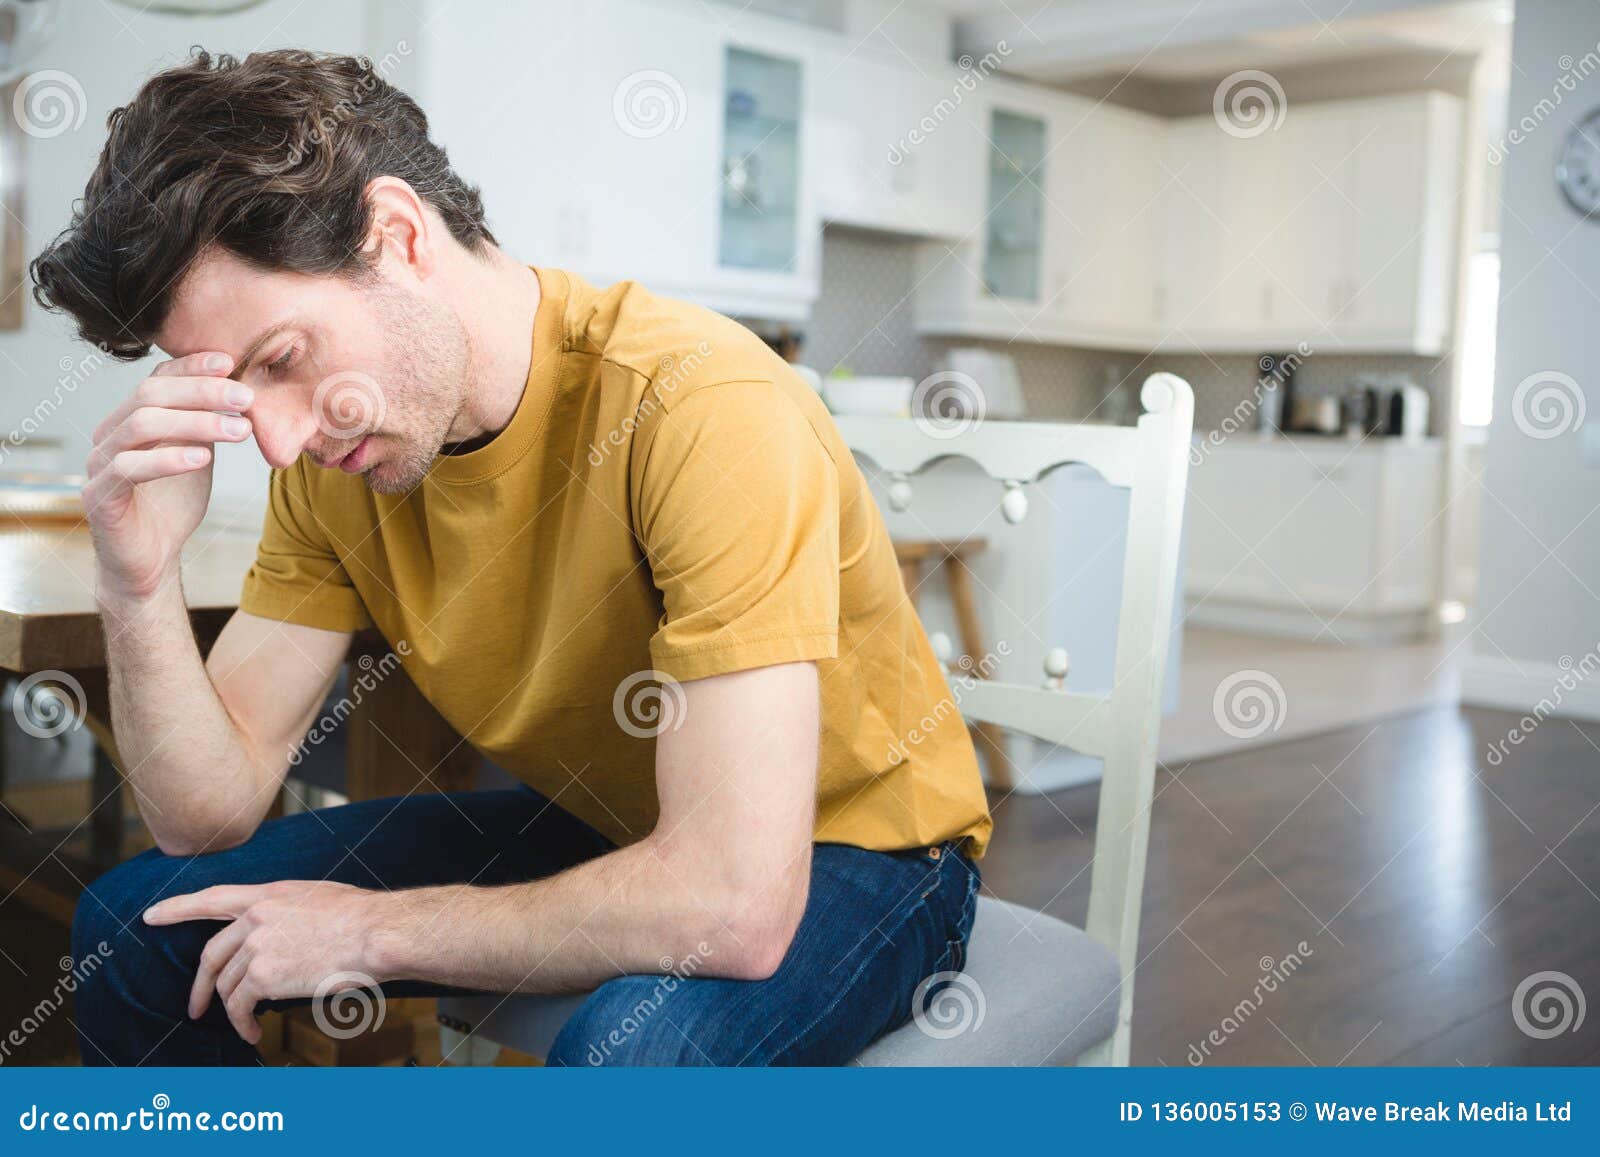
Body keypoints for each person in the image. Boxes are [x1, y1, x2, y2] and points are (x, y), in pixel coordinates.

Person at [31, 48, 990, 1067]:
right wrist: (136, 580)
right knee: (140, 928)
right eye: (239, 388)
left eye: (281, 359)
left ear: (398, 236)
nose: (272, 439)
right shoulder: (332, 459)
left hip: (860, 849)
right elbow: (202, 814)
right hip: (615, 819)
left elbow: (732, 903)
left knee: (625, 1064)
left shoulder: (704, 407)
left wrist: (368, 930)